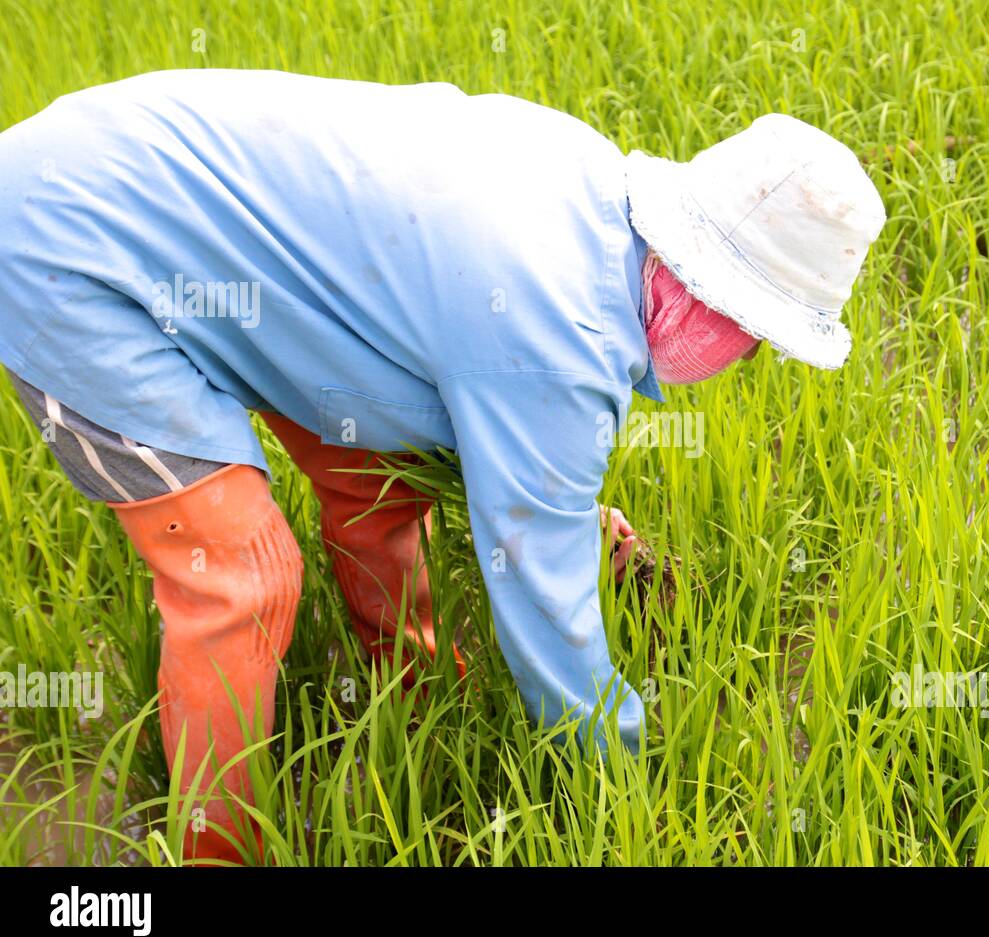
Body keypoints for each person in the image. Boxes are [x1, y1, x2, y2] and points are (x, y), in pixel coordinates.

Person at [0, 70, 886, 862]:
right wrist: (626, 791)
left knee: (375, 476)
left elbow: (493, 397)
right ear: (705, 293)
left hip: (167, 205)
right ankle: (217, 853)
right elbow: (547, 601)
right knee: (240, 575)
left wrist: (568, 516)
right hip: (67, 248)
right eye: (755, 335)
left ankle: (414, 702)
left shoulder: (587, 184)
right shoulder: (561, 336)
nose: (749, 359)